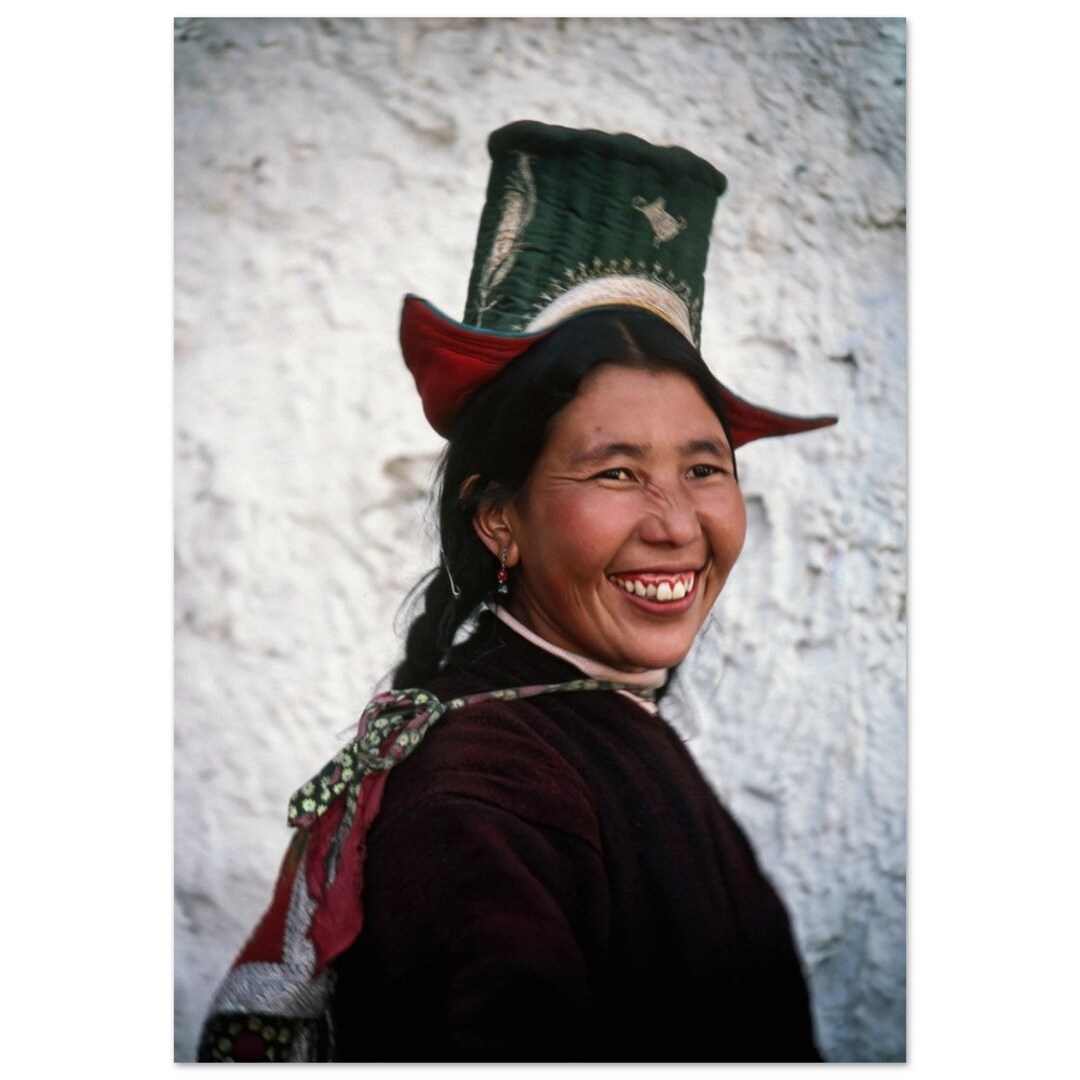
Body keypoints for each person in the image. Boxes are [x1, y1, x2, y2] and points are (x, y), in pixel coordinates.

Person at [199, 120, 837, 1063]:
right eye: (617, 473)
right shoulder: (488, 794)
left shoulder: (581, 732)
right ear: (499, 518)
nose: (675, 523)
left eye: (705, 469)